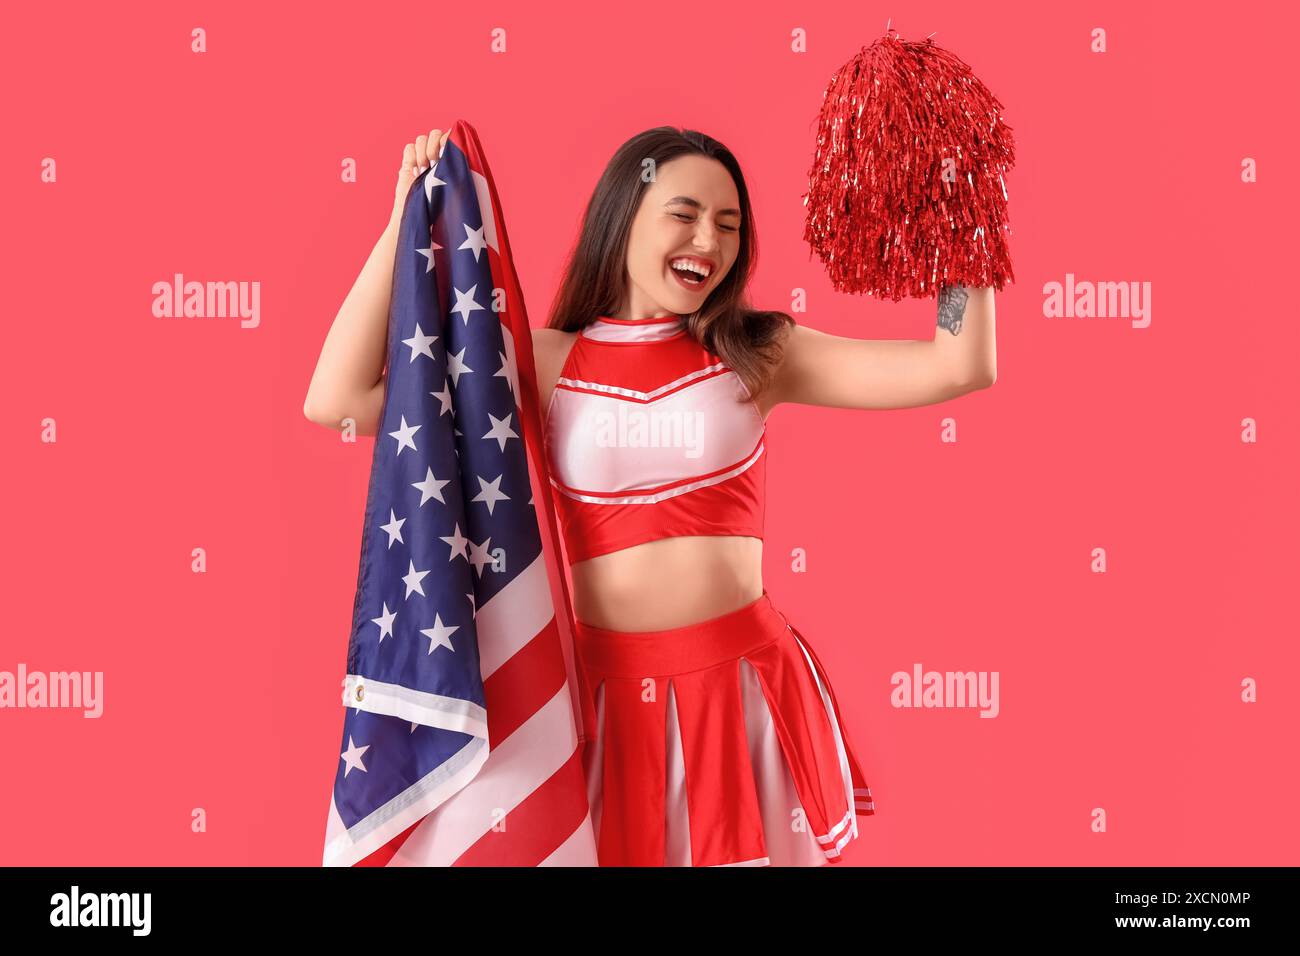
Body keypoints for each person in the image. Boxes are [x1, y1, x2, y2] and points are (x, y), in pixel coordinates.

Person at [305, 125, 997, 867]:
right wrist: (402, 223)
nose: (710, 240)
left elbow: (958, 367)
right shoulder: (543, 363)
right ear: (623, 217)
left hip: (743, 691)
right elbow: (338, 399)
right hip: (605, 708)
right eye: (686, 213)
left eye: (730, 226)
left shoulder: (759, 351)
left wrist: (958, 211)